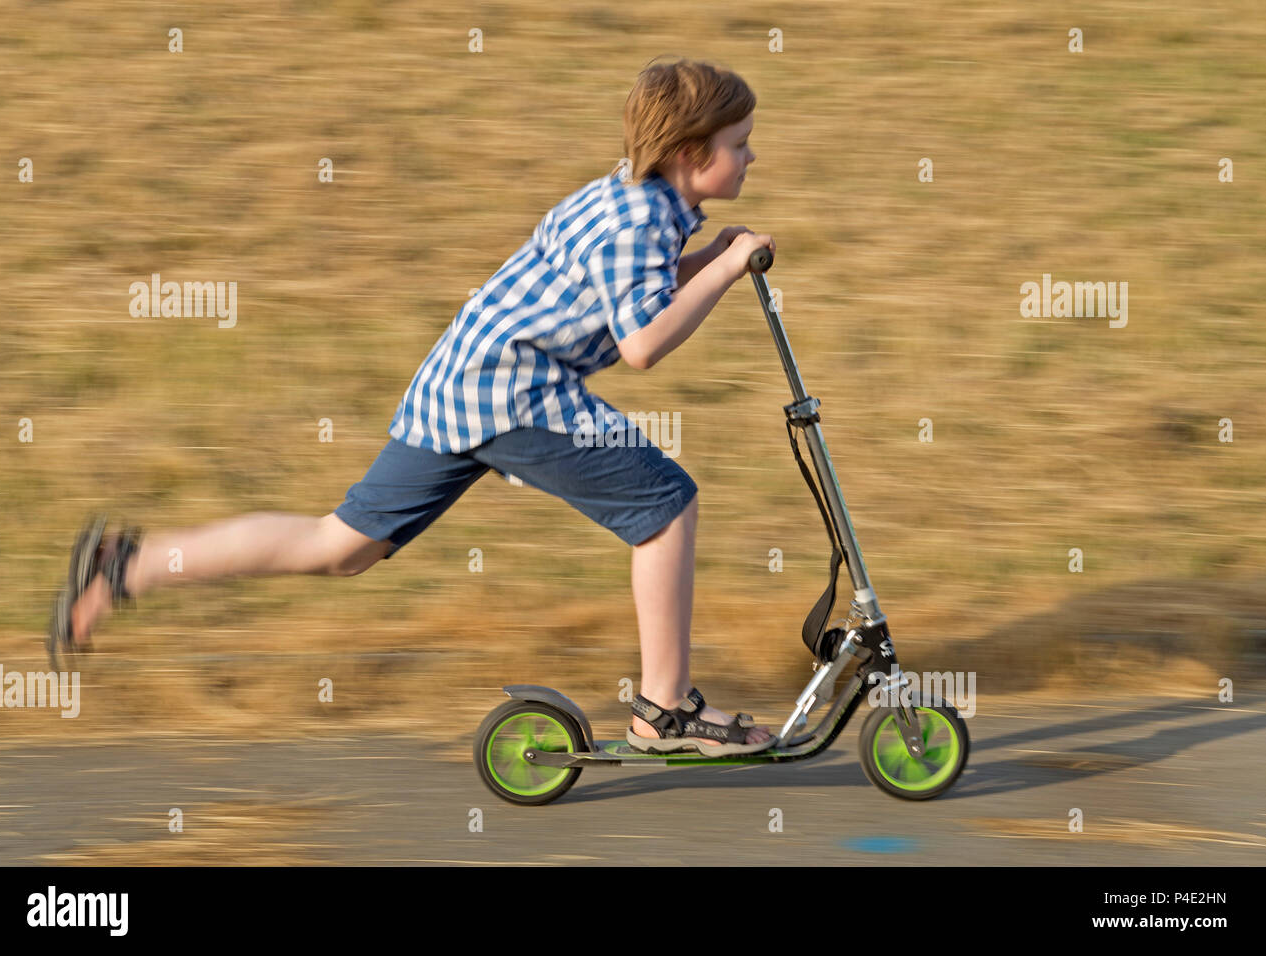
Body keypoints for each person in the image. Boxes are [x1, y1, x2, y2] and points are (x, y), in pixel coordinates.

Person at [48, 56, 777, 756]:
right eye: (739, 145)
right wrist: (726, 271)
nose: (751, 158)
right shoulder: (641, 221)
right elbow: (644, 342)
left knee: (342, 547)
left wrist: (708, 259)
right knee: (666, 507)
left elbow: (631, 294)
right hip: (512, 393)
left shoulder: (630, 195)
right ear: (687, 151)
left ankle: (130, 565)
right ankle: (664, 708)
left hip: (461, 382)